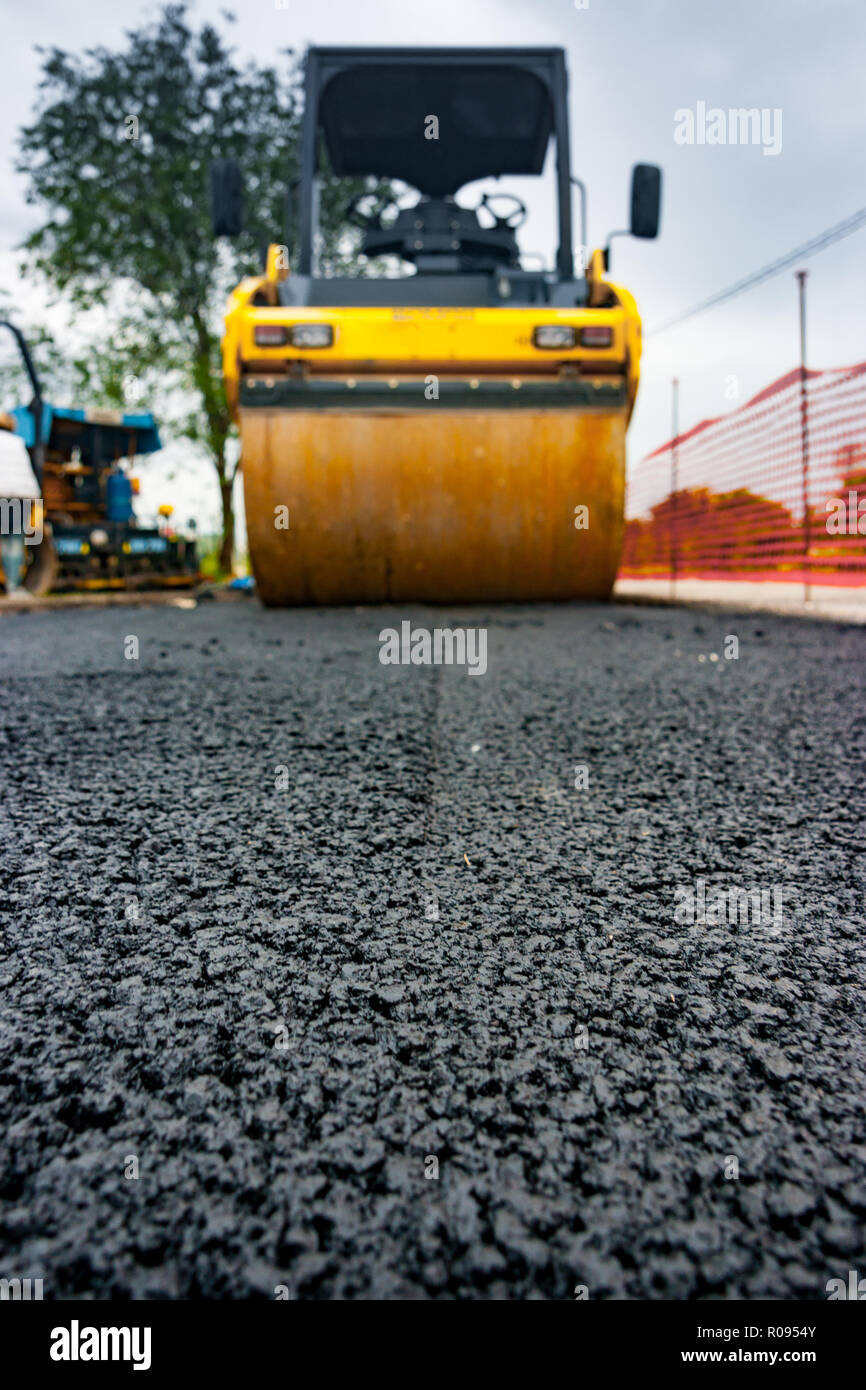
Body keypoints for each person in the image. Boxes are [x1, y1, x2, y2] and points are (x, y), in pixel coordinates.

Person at [0, 419, 41, 597]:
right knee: (15, 542)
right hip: (19, 499)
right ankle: (13, 586)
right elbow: (27, 475)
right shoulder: (18, 443)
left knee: (2, 542)